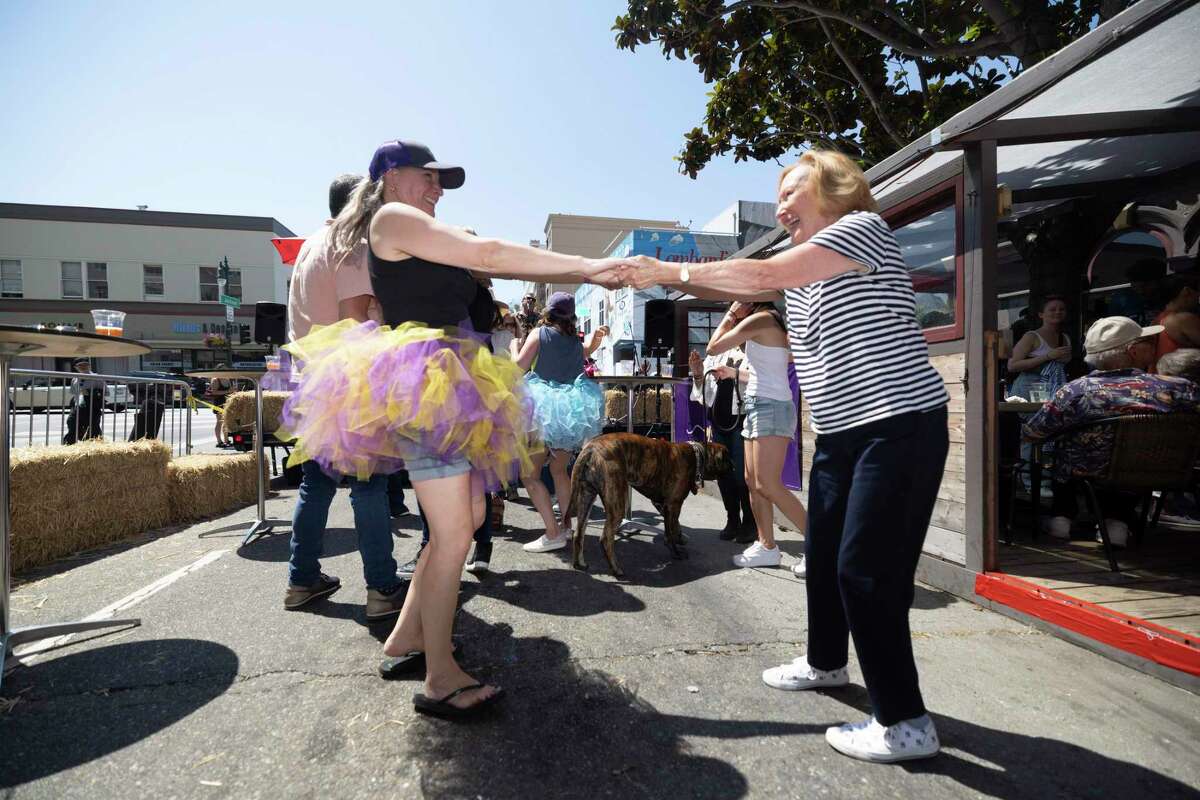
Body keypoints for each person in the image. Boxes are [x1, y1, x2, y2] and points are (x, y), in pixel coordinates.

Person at [620, 149, 950, 762]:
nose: (780, 206)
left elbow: (752, 275)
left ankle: (905, 721)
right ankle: (827, 664)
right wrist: (662, 278)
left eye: (793, 190)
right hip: (840, 435)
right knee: (823, 558)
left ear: (839, 189)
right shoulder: (805, 277)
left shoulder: (862, 230)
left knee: (865, 572)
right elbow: (747, 282)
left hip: (898, 428)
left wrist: (661, 267)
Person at [281, 139, 621, 717]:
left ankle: (406, 637)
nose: (437, 189)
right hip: (428, 386)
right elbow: (487, 253)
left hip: (450, 383)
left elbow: (464, 282)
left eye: (442, 181)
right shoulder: (391, 218)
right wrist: (587, 266)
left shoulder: (411, 231)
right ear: (390, 176)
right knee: (456, 533)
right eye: (428, 177)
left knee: (461, 524)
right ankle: (440, 677)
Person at [282, 172, 407, 622]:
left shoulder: (312, 245)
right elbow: (358, 321)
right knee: (369, 487)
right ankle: (382, 586)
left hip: (314, 382)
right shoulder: (351, 244)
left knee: (315, 486)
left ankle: (302, 579)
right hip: (352, 383)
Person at [1024, 317, 1200, 545]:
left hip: (1092, 473)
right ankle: (1116, 522)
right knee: (1126, 465)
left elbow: (1033, 432)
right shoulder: (1180, 387)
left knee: (1070, 452)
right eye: (1148, 342)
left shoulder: (1077, 391)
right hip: (1164, 471)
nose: (1153, 346)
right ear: (1133, 351)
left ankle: (1062, 518)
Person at [702, 302, 808, 569]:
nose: (735, 301)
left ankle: (823, 546)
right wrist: (734, 373)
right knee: (753, 482)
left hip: (771, 408)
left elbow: (713, 347)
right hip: (759, 405)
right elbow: (769, 370)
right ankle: (767, 546)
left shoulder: (759, 319)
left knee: (768, 484)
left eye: (739, 297)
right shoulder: (770, 321)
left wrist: (731, 316)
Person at [519, 292, 607, 553]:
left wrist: (514, 347)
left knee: (530, 476)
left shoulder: (539, 334)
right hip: (570, 410)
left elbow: (517, 366)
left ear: (548, 311)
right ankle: (567, 526)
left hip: (541, 408)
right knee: (559, 470)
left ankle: (553, 533)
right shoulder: (575, 340)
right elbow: (587, 351)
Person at [689, 346, 755, 544]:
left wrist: (733, 373)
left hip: (743, 419)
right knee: (723, 473)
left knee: (742, 475)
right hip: (719, 419)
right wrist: (698, 372)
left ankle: (750, 523)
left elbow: (761, 380)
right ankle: (732, 519)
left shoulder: (756, 349)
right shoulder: (719, 352)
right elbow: (704, 391)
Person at [1006, 295, 1072, 492]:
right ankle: (1031, 482)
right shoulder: (1032, 337)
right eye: (1052, 309)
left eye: (1061, 309)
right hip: (1028, 387)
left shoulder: (1065, 337)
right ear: (1041, 314)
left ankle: (1046, 478)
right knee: (1031, 433)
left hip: (1052, 389)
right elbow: (1012, 365)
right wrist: (1047, 357)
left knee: (1051, 433)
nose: (1058, 312)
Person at [1152, 273, 1200, 362]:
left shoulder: (1156, 321)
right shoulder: (1184, 319)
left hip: (1161, 374)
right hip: (1181, 375)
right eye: (1198, 292)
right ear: (1187, 291)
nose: (1198, 297)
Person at [62, 358, 105, 444]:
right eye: (80, 365)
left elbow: (105, 392)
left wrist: (91, 393)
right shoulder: (75, 379)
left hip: (92, 407)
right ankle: (69, 446)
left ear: (89, 366)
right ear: (76, 367)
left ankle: (97, 446)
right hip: (78, 407)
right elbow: (74, 394)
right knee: (71, 423)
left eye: (85, 365)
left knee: (93, 429)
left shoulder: (97, 377)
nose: (83, 367)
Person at [208, 365, 233, 448]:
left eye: (225, 370)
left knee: (226, 422)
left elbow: (230, 391)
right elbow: (214, 392)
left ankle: (226, 440)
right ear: (218, 370)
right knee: (219, 422)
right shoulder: (215, 380)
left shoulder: (228, 379)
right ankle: (219, 441)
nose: (224, 371)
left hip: (228, 403)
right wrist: (228, 391)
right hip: (219, 403)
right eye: (222, 370)